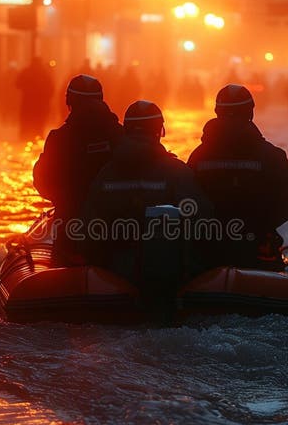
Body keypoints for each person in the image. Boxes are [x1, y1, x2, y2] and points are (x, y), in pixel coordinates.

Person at [83, 100, 212, 302]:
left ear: (126, 129)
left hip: (113, 282)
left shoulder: (105, 174)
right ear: (158, 130)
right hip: (167, 282)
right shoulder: (178, 172)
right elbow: (202, 220)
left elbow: (89, 224)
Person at [187, 83, 288, 269]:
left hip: (210, 252)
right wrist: (262, 225)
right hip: (257, 251)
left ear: (217, 111)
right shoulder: (271, 155)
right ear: (250, 112)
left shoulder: (198, 156)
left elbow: (186, 199)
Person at [32, 74, 123, 264]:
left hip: (71, 234)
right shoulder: (122, 136)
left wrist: (66, 201)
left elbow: (42, 181)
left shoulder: (59, 138)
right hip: (118, 235)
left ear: (69, 101)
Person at [15, 56, 55, 140]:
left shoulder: (28, 72)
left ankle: (26, 135)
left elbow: (17, 83)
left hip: (29, 101)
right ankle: (36, 135)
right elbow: (51, 88)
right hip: (39, 103)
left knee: (28, 119)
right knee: (38, 121)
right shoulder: (44, 73)